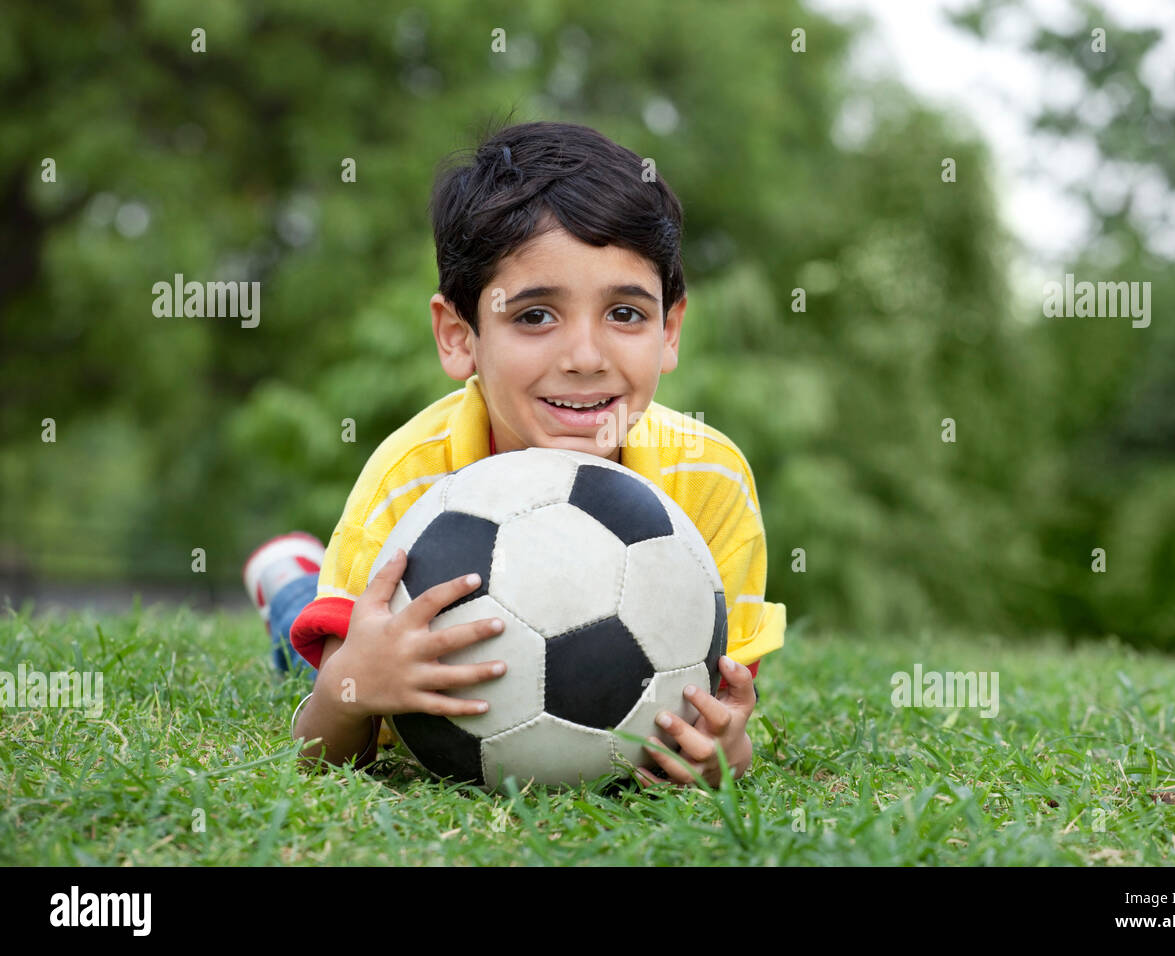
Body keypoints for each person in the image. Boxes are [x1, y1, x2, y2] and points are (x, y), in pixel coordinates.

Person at [243, 120, 786, 788]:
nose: (585, 359)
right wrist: (352, 686)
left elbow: (723, 712)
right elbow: (324, 749)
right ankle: (294, 582)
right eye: (534, 316)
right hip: (371, 652)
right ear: (458, 336)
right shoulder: (408, 477)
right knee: (312, 649)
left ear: (670, 330)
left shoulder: (710, 478)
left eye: (625, 314)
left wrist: (725, 750)